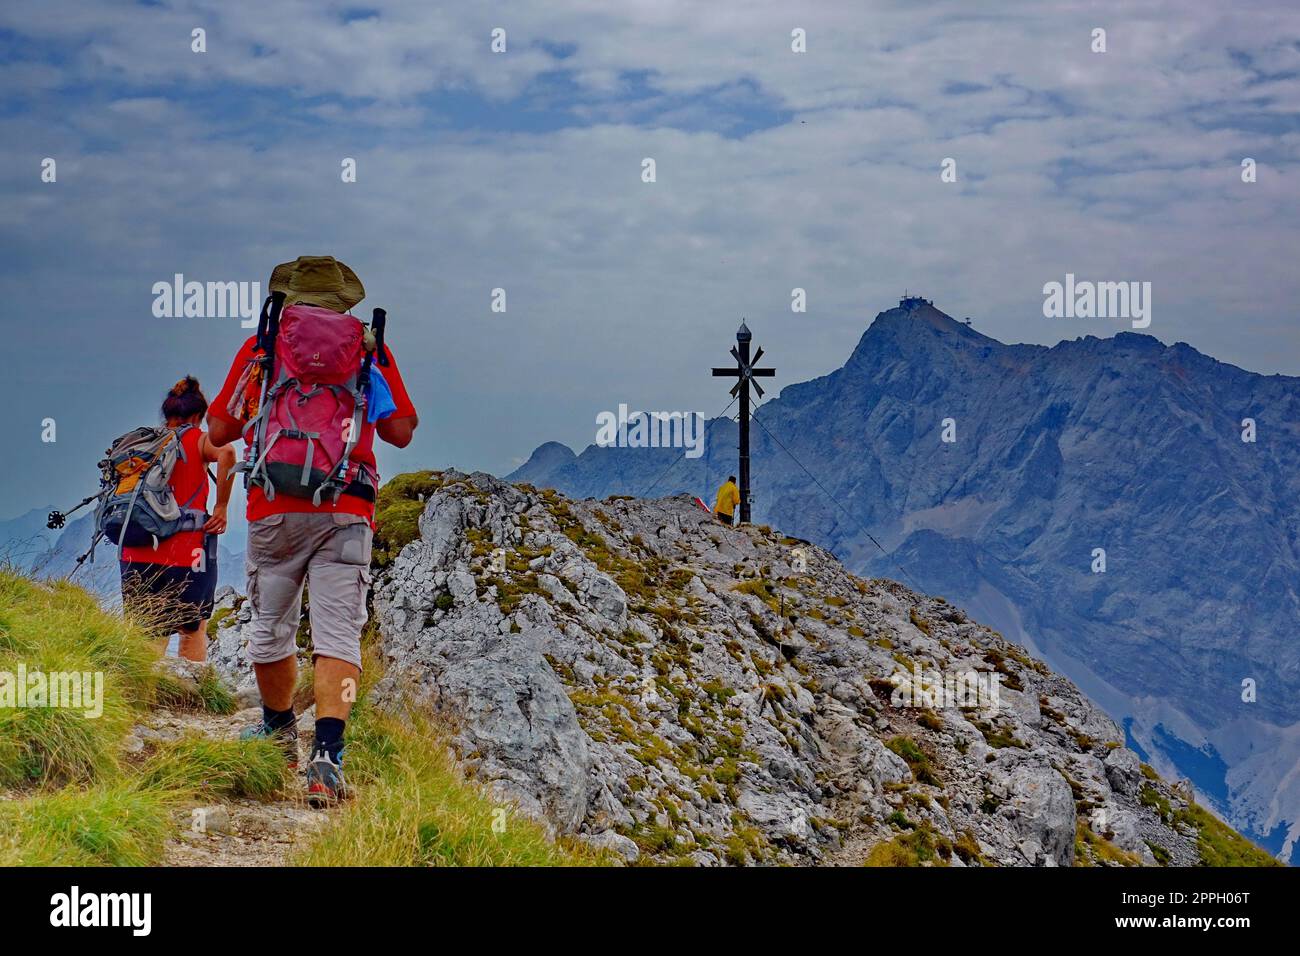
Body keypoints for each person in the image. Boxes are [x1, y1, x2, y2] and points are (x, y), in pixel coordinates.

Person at [208, 256, 418, 807]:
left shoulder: (265, 345)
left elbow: (221, 427)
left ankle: (278, 731)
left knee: (271, 624)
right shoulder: (369, 347)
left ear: (290, 295)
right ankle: (328, 755)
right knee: (339, 634)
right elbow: (400, 432)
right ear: (344, 301)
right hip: (348, 505)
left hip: (273, 504)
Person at [119, 377, 235, 662]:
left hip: (136, 552)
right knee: (191, 629)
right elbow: (228, 453)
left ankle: (139, 698)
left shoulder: (142, 443)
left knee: (146, 631)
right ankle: (189, 699)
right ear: (198, 416)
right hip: (187, 555)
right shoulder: (198, 439)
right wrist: (221, 507)